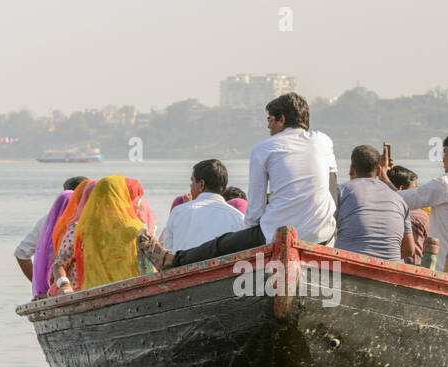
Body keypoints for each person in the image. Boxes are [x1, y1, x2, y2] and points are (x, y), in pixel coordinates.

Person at [137, 92, 337, 270]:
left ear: (281, 119)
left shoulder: (265, 148)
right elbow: (332, 190)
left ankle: (173, 260)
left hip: (273, 235)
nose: (268, 125)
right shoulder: (324, 141)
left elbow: (255, 211)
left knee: (221, 245)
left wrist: (243, 235)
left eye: (269, 119)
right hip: (322, 235)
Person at [381, 129, 448, 281]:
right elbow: (402, 198)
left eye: (444, 152)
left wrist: (382, 176)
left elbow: (397, 201)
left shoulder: (445, 184)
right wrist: (386, 179)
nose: (442, 159)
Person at [60, 174, 146, 294]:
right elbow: (60, 264)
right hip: (90, 292)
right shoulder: (80, 229)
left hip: (122, 289)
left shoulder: (131, 228)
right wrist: (64, 285)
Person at [334, 145, 415, 262]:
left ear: (351, 169)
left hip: (348, 269)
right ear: (378, 171)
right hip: (390, 273)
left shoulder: (341, 191)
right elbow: (409, 249)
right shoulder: (399, 199)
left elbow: (323, 230)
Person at [160, 160, 245, 253]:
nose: (190, 186)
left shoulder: (178, 212)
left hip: (183, 266)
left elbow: (168, 252)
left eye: (192, 181)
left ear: (201, 185)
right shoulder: (238, 218)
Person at [14, 175, 86, 282]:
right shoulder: (48, 223)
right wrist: (42, 287)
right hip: (63, 287)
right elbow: (21, 252)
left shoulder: (46, 222)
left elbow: (21, 252)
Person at [387, 165, 434, 266]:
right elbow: (414, 259)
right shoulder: (417, 216)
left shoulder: (380, 211)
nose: (416, 194)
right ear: (402, 189)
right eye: (414, 189)